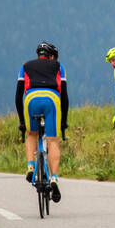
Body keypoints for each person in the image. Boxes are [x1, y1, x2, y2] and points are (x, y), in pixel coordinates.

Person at [16, 40, 68, 202]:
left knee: (32, 134)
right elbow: (64, 96)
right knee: (52, 140)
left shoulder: (25, 66)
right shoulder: (58, 66)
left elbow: (18, 96)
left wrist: (22, 123)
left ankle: (31, 166)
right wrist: (63, 122)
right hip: (52, 99)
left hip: (30, 99)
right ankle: (53, 178)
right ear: (51, 56)